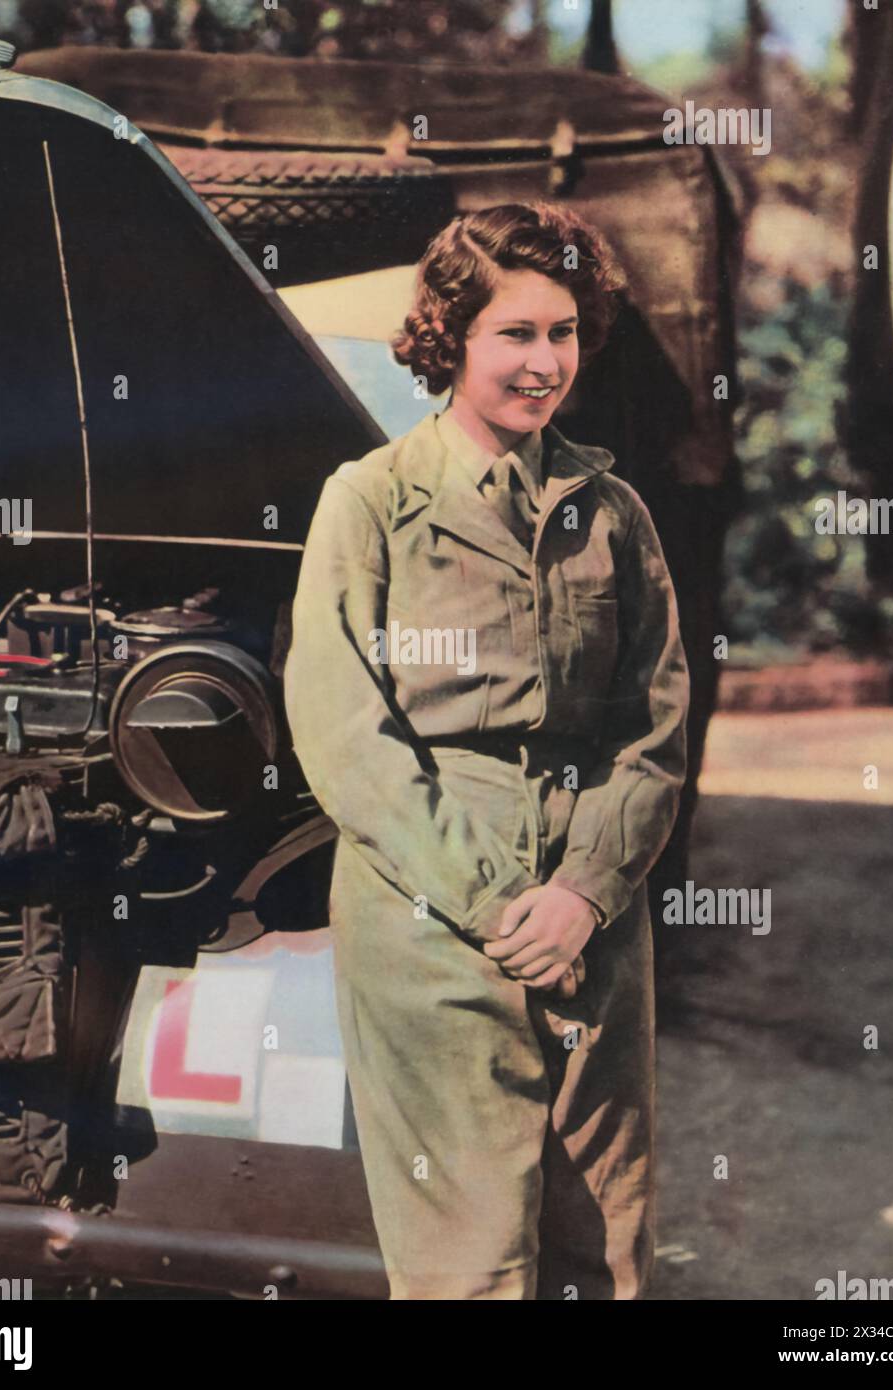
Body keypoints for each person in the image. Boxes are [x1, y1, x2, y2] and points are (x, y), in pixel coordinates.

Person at [283, 201, 690, 1300]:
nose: (543, 360)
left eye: (562, 332)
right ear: (449, 337)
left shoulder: (612, 514)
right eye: (514, 333)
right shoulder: (369, 502)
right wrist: (498, 904)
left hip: (590, 916)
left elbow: (651, 729)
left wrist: (582, 895)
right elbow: (343, 729)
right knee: (467, 1261)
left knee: (600, 1251)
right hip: (428, 917)